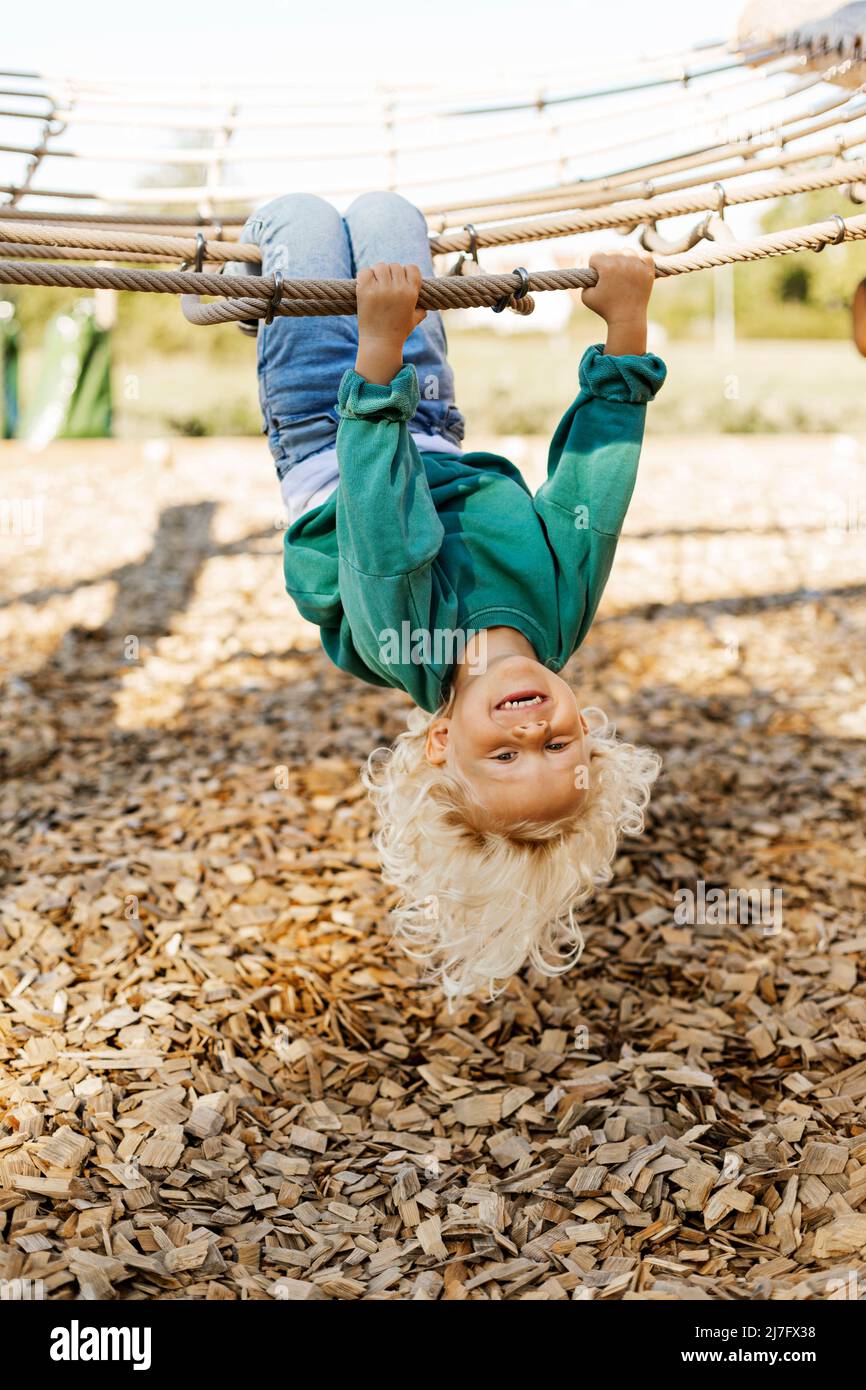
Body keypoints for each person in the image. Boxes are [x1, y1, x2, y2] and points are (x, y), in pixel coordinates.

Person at [230, 190, 666, 1003]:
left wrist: (378, 347)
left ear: (439, 743)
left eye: (504, 756)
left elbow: (381, 514)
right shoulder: (560, 611)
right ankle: (277, 303)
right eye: (558, 749)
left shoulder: (407, 636)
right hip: (427, 411)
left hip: (330, 424)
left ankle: (251, 293)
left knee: (300, 220)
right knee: (391, 217)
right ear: (589, 737)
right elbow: (595, 492)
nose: (532, 730)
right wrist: (625, 328)